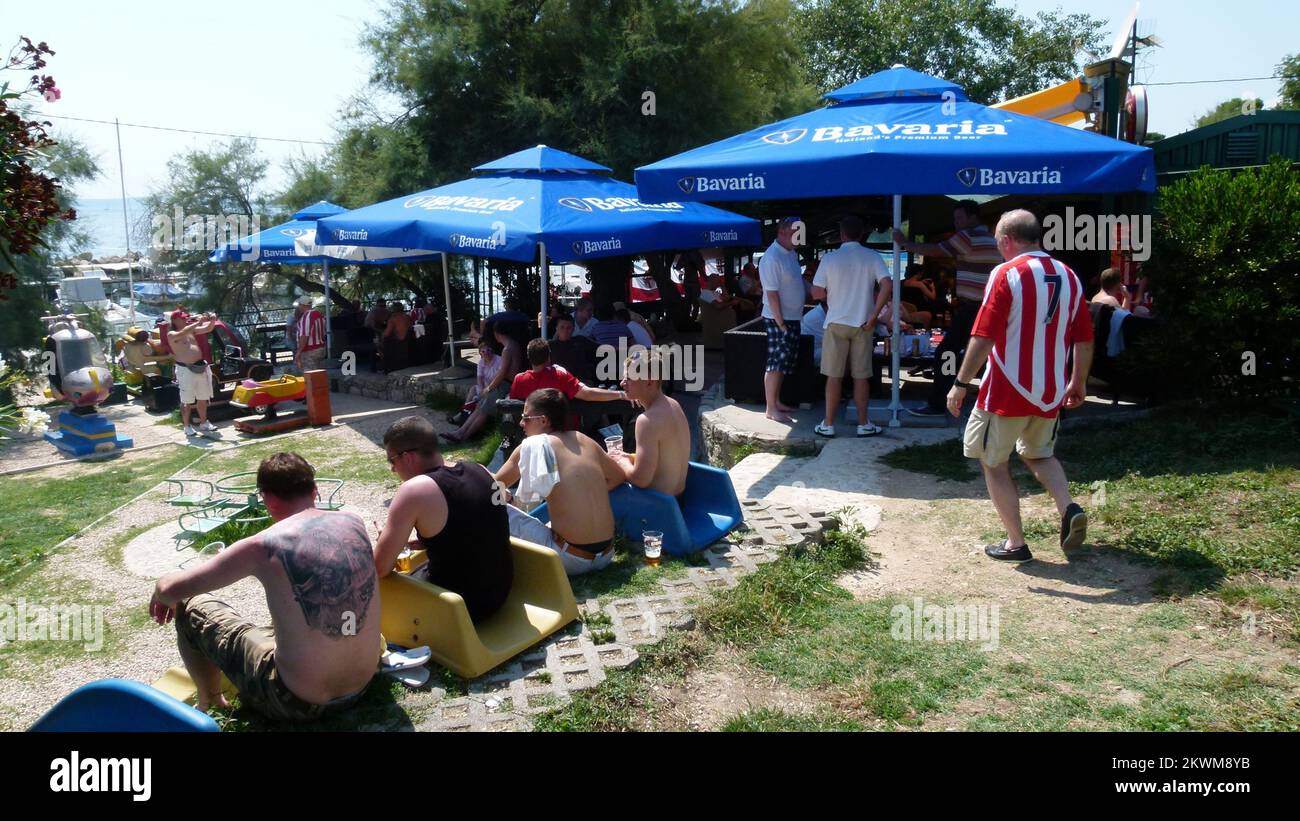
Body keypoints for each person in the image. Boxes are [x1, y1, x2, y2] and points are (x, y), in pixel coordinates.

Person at [149, 452, 380, 720]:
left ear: (267, 499)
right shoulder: (353, 522)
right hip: (362, 686)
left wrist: (160, 587)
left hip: (297, 702)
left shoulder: (263, 545)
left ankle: (210, 699)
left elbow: (171, 591)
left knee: (190, 605)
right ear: (314, 490)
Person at [947, 209, 1093, 563]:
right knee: (1039, 453)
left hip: (1007, 388)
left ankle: (1016, 543)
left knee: (993, 461)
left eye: (998, 241)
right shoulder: (1070, 275)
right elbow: (1085, 338)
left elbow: (983, 335)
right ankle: (1068, 507)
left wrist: (960, 382)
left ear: (1007, 240)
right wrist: (1078, 382)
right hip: (1051, 389)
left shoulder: (1006, 273)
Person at [374, 416, 513, 620]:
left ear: (407, 457)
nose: (392, 469)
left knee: (374, 584)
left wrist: (382, 541)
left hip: (459, 609)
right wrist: (428, 541)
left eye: (392, 460)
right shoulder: (479, 470)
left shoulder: (414, 490)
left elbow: (380, 568)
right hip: (500, 595)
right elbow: (475, 522)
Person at [493, 389, 627, 575]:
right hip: (606, 555)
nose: (521, 423)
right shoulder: (584, 440)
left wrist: (505, 498)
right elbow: (618, 476)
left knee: (494, 507)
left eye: (526, 416)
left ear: (544, 420)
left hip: (569, 559)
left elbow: (491, 488)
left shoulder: (532, 445)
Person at [893, 200, 1003, 417]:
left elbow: (935, 250)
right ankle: (989, 399)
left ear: (972, 217)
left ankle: (939, 402)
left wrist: (905, 243)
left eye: (959, 218)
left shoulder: (967, 236)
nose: (956, 223)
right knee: (987, 354)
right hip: (990, 307)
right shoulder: (992, 239)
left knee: (946, 352)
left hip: (973, 307)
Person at [810, 215, 891, 437]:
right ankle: (863, 423)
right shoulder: (872, 256)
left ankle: (828, 424)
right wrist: (874, 315)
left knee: (834, 377)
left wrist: (831, 297)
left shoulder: (829, 259)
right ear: (862, 234)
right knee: (861, 376)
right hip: (863, 324)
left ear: (842, 234)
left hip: (836, 322)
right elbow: (887, 284)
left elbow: (816, 292)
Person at [609, 349, 690, 497]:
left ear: (649, 381)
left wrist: (621, 461)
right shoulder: (674, 404)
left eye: (629, 379)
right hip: (682, 498)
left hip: (659, 508)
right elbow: (663, 459)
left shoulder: (646, 421)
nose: (622, 383)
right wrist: (630, 458)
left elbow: (640, 480)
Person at [442, 321, 524, 443]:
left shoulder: (507, 349)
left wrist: (489, 388)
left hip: (506, 385)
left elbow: (502, 373)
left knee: (483, 411)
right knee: (480, 407)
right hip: (506, 384)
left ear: (497, 334)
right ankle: (460, 432)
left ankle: (462, 436)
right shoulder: (514, 345)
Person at [759, 217, 807, 423]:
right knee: (775, 364)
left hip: (791, 317)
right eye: (796, 234)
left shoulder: (791, 253)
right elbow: (771, 294)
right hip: (779, 319)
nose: (799, 239)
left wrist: (812, 287)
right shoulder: (771, 258)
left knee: (783, 363)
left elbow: (797, 279)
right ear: (782, 233)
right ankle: (770, 408)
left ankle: (776, 401)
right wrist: (780, 324)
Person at [509, 338, 627, 404]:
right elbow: (587, 393)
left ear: (529, 357)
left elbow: (512, 405)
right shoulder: (558, 374)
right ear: (549, 357)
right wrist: (621, 394)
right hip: (562, 433)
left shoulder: (518, 379)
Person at [167, 309, 219, 437]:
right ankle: (186, 426)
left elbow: (208, 329)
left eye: (186, 317)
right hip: (185, 369)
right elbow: (183, 332)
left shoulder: (191, 330)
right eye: (183, 318)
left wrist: (212, 319)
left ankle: (203, 422)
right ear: (175, 320)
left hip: (199, 367)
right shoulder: (172, 334)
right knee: (186, 400)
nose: (186, 319)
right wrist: (198, 322)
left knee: (203, 396)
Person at [448, 340, 502, 426]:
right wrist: (481, 390)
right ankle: (463, 412)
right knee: (473, 389)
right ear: (480, 353)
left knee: (479, 399)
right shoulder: (481, 362)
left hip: (495, 387)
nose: (486, 353)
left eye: (488, 350)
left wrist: (486, 390)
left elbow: (498, 378)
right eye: (483, 351)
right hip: (485, 387)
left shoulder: (499, 360)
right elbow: (479, 377)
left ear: (492, 350)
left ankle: (463, 416)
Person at [296, 296, 327, 373]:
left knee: (310, 376)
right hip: (320, 348)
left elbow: (304, 335)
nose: (298, 307)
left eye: (299, 304)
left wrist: (298, 352)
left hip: (310, 351)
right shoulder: (320, 315)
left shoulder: (307, 316)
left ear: (302, 305)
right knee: (318, 374)